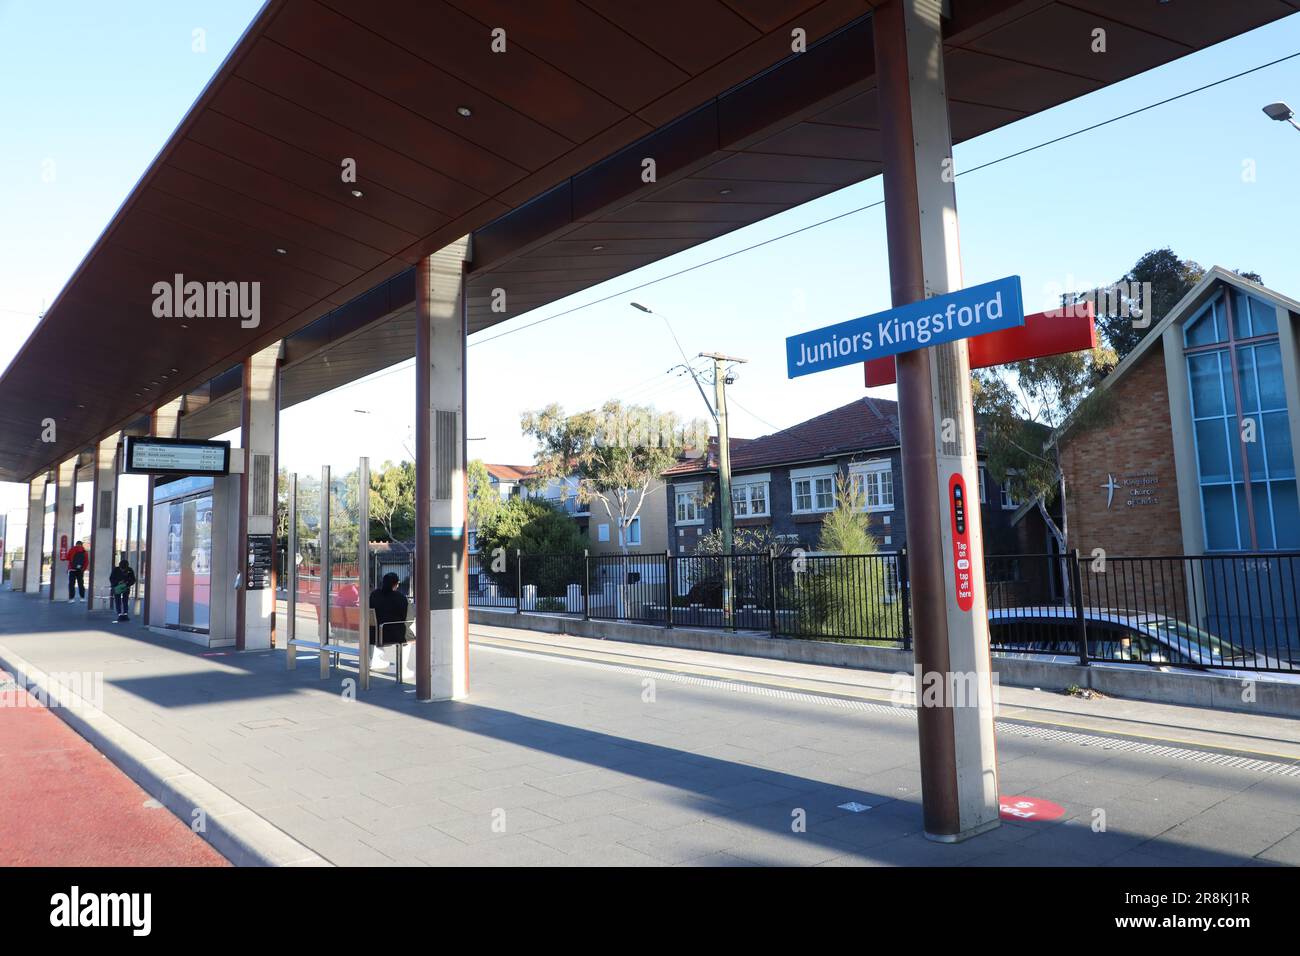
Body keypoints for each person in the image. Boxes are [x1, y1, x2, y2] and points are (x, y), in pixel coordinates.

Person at [368, 572, 408, 671]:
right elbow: (404, 617)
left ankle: (373, 660)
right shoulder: (400, 598)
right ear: (395, 584)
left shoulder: (374, 594)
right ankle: (403, 669)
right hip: (391, 634)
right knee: (409, 636)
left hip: (373, 633)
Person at [109, 558, 136, 623]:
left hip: (125, 587)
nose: (123, 570)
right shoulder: (116, 570)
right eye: (122, 569)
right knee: (117, 600)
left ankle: (125, 614)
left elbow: (133, 579)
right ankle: (120, 614)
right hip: (117, 587)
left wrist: (127, 583)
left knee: (125, 600)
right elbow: (111, 578)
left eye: (124, 569)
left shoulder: (130, 570)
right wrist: (117, 583)